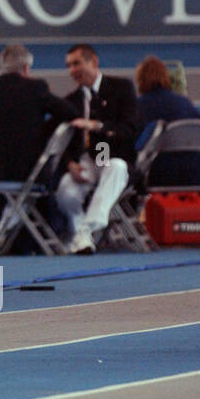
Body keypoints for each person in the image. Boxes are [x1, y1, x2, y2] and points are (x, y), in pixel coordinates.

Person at [0, 44, 78, 257]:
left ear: (2, 65)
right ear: (27, 67)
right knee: (23, 196)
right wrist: (45, 129)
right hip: (28, 173)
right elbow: (69, 112)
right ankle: (3, 230)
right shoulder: (37, 87)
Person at [55, 44, 141, 254]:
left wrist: (98, 126)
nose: (72, 70)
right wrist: (70, 164)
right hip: (87, 159)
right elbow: (63, 140)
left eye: (76, 63)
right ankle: (79, 234)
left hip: (109, 153)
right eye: (68, 65)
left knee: (117, 167)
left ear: (93, 62)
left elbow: (132, 128)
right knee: (66, 189)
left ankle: (87, 230)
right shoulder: (71, 100)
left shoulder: (120, 88)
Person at [134, 56, 200, 188]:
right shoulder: (185, 103)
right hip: (197, 172)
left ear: (140, 80)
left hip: (161, 173)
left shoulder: (139, 106)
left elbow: (136, 143)